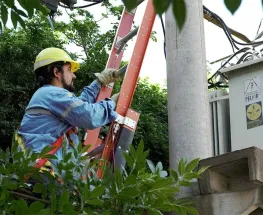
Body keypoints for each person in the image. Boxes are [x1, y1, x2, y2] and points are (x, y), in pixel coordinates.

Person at [18, 47, 120, 163]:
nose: (74, 75)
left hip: (41, 169)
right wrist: (111, 103)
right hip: (46, 173)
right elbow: (89, 116)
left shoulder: (47, 95)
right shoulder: (53, 94)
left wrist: (98, 82)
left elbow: (79, 107)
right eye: (69, 70)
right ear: (56, 72)